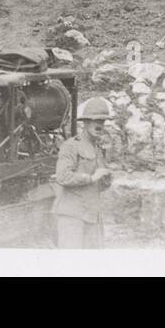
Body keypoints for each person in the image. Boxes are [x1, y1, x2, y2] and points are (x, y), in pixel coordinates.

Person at [52, 97, 113, 249]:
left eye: (102, 121)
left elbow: (99, 184)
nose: (99, 125)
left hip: (92, 216)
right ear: (85, 122)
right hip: (72, 216)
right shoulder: (71, 146)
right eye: (95, 120)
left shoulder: (98, 149)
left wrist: (106, 179)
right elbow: (63, 176)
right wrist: (91, 178)